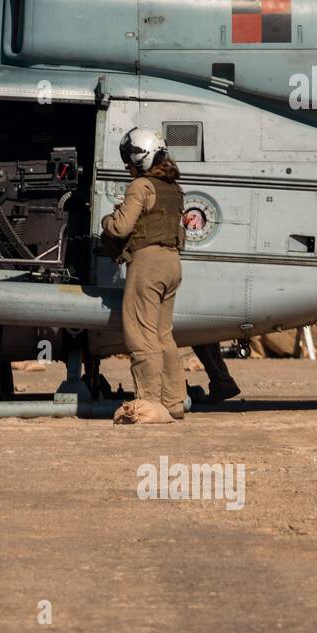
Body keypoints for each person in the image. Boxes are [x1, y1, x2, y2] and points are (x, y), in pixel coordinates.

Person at [101, 127, 187, 420]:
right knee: (164, 335)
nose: (128, 168)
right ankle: (174, 402)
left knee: (141, 336)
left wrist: (106, 220)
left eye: (130, 162)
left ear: (141, 160)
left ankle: (149, 403)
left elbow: (121, 227)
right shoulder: (174, 188)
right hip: (172, 263)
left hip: (148, 263)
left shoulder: (141, 186)